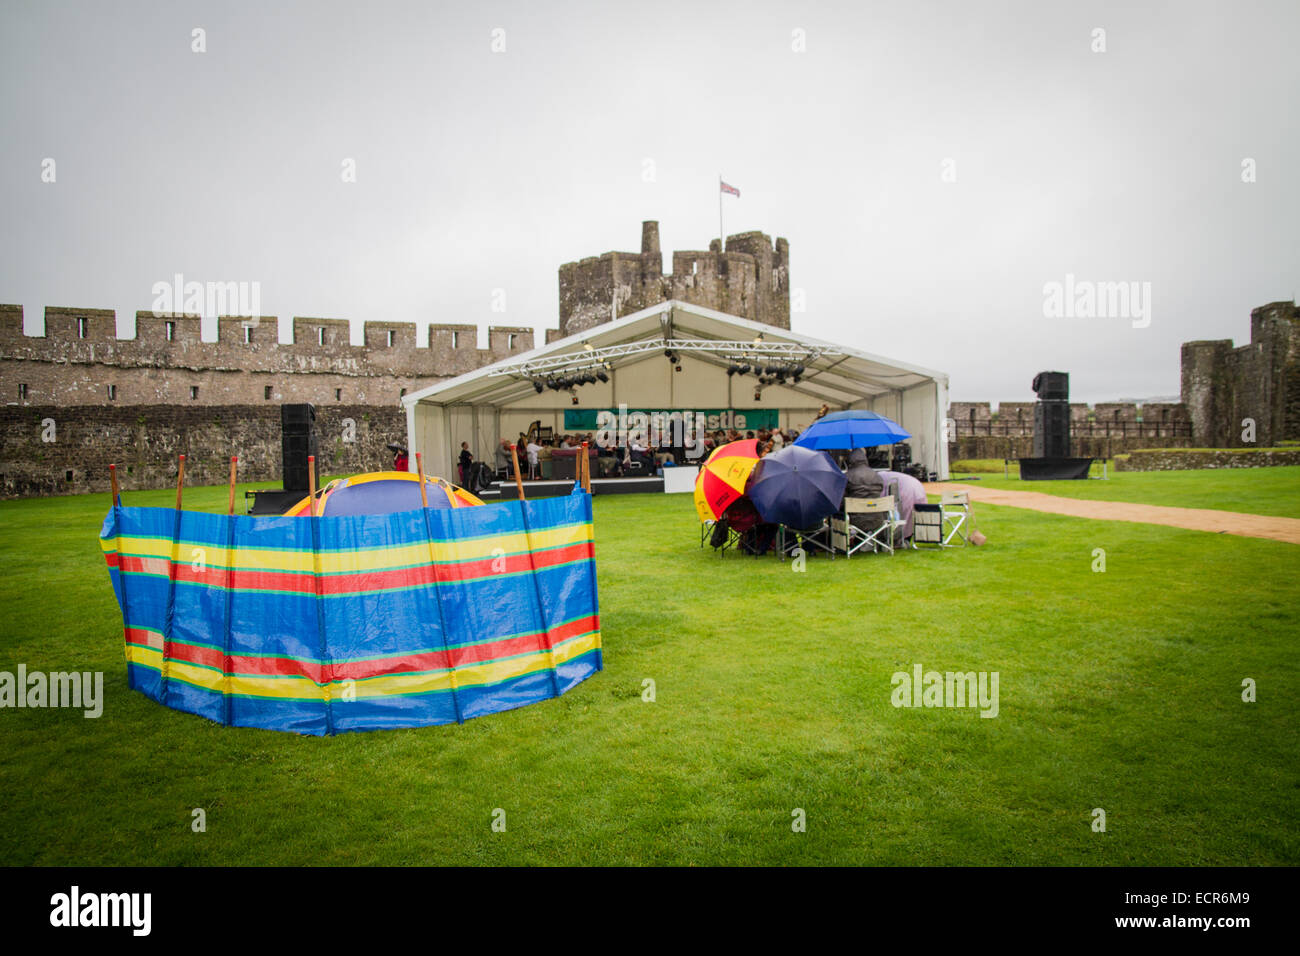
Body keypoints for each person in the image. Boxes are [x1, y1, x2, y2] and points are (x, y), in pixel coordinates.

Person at [843, 447, 886, 537]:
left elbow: (841, 499)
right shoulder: (877, 476)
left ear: (850, 460)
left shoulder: (847, 476)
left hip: (855, 520)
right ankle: (870, 542)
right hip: (877, 519)